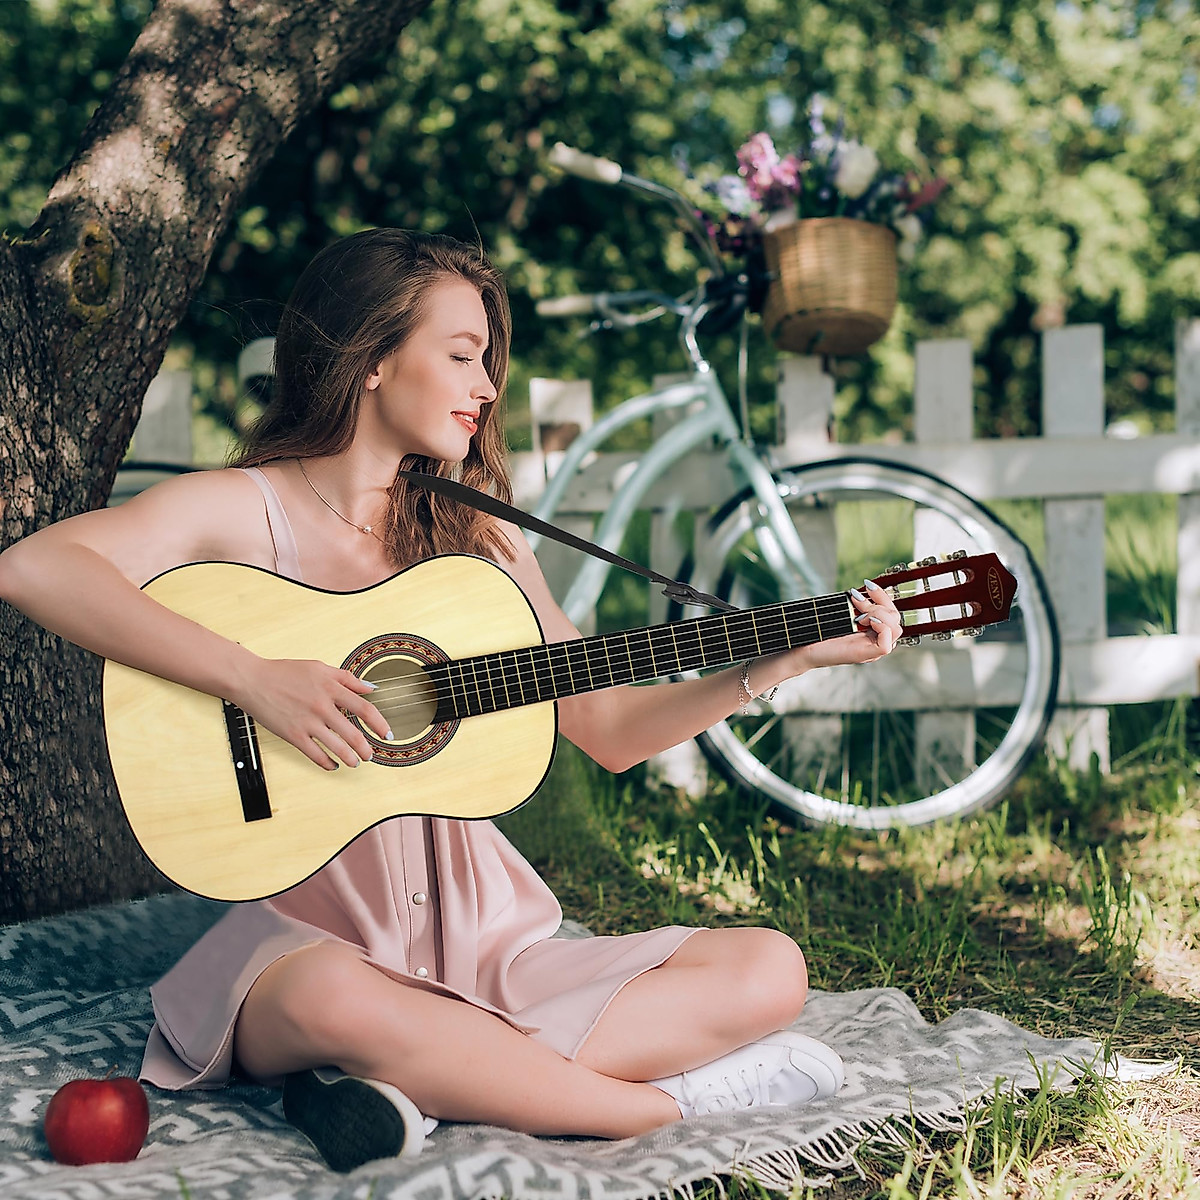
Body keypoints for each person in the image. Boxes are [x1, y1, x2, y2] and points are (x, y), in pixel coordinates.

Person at [0, 228, 902, 1172]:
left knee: (769, 969)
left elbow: (608, 729)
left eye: (490, 362)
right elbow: (35, 568)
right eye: (462, 356)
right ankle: (652, 1110)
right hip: (308, 953)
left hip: (482, 950)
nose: (487, 387)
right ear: (376, 359)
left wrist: (782, 661)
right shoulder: (245, 509)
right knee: (335, 1005)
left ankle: (417, 1075)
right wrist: (253, 677)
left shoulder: (480, 540)